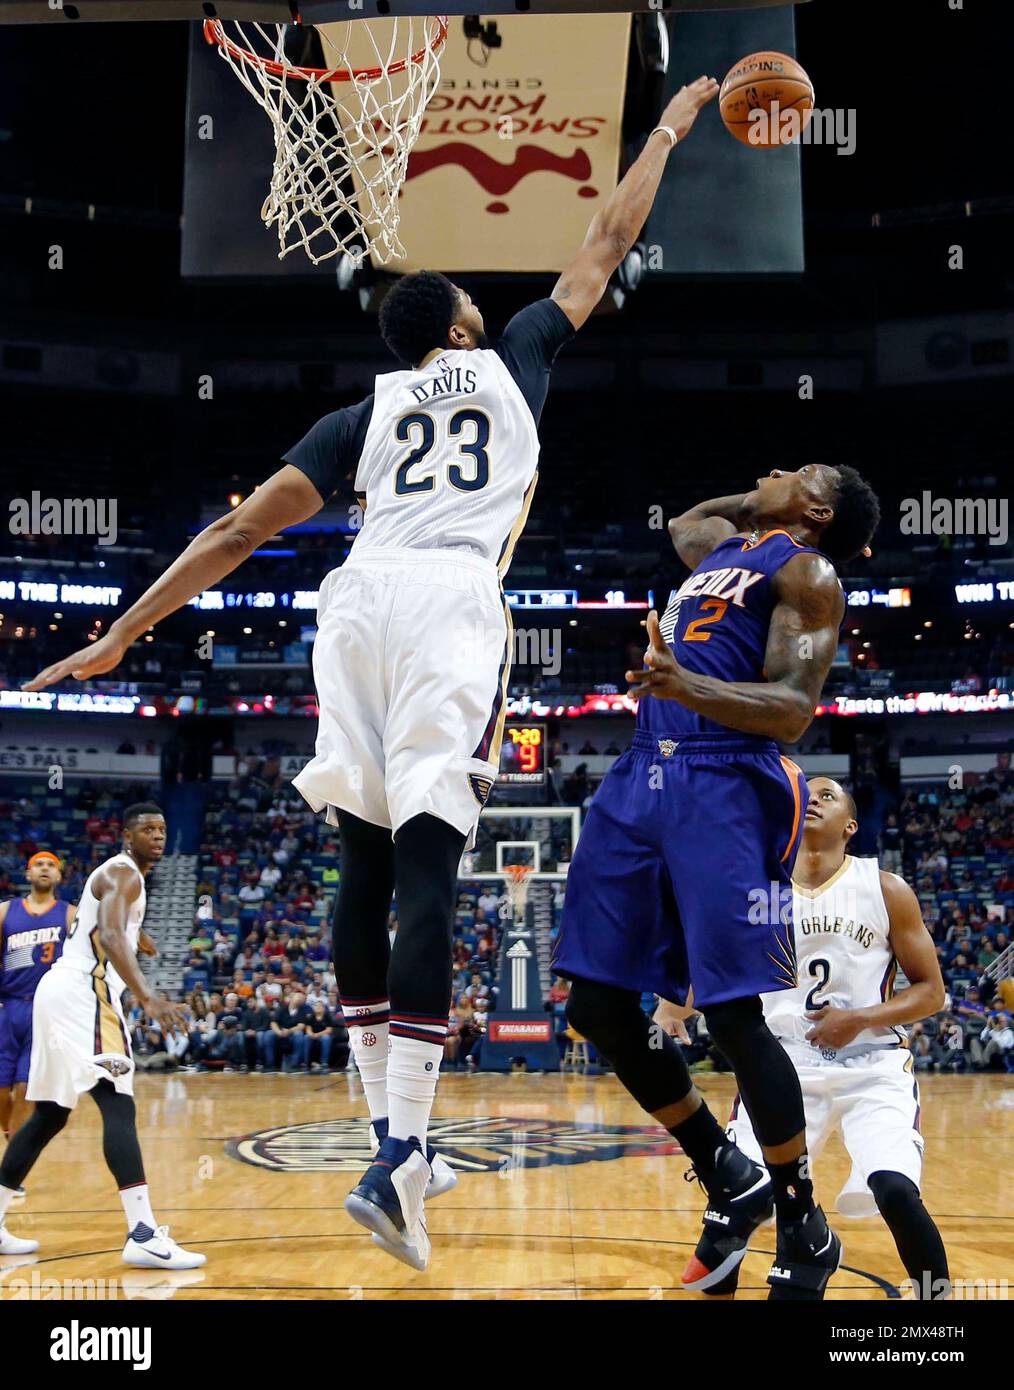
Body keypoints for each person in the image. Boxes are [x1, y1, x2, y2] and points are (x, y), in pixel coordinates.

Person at [23, 76, 722, 1272]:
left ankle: (393, 1136)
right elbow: (606, 237)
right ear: (459, 327)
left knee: (361, 856)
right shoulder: (514, 359)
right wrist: (666, 126)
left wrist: (128, 630)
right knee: (432, 867)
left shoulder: (358, 420)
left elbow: (234, 535)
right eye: (466, 295)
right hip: (449, 602)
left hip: (353, 603)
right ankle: (404, 1153)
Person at [553, 466, 880, 1299]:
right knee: (592, 1004)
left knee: (733, 1016)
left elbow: (792, 708)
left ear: (817, 512)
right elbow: (686, 520)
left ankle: (803, 1220)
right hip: (642, 777)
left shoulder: (808, 575)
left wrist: (684, 684)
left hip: (727, 783)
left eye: (795, 473)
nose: (769, 470)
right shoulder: (730, 546)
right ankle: (727, 1171)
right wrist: (764, 502)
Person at [657, 778, 950, 1299]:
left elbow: (932, 994)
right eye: (805, 795)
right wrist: (674, 1004)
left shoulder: (885, 888)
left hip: (873, 1062)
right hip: (780, 1064)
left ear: (850, 825)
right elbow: (718, 965)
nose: (813, 799)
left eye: (828, 795)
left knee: (895, 1190)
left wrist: (860, 1017)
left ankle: (938, 1301)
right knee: (737, 1204)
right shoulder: (760, 888)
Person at [0, 804, 204, 1268]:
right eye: (147, 829)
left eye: (162, 828)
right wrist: (148, 997)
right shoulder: (124, 872)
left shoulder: (122, 877)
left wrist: (137, 937)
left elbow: (112, 930)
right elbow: (109, 936)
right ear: (126, 835)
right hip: (83, 992)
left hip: (56, 992)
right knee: (117, 1098)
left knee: (50, 1114)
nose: (157, 836)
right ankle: (142, 1234)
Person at [0, 851, 75, 1162]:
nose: (45, 869)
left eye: (51, 866)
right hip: (8, 1008)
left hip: (47, 1012)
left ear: (59, 876)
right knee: (3, 1091)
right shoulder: (6, 911)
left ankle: (9, 1174)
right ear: (28, 874)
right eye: (38, 865)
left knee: (26, 1087)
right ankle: (13, 1138)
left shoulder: (71, 914)